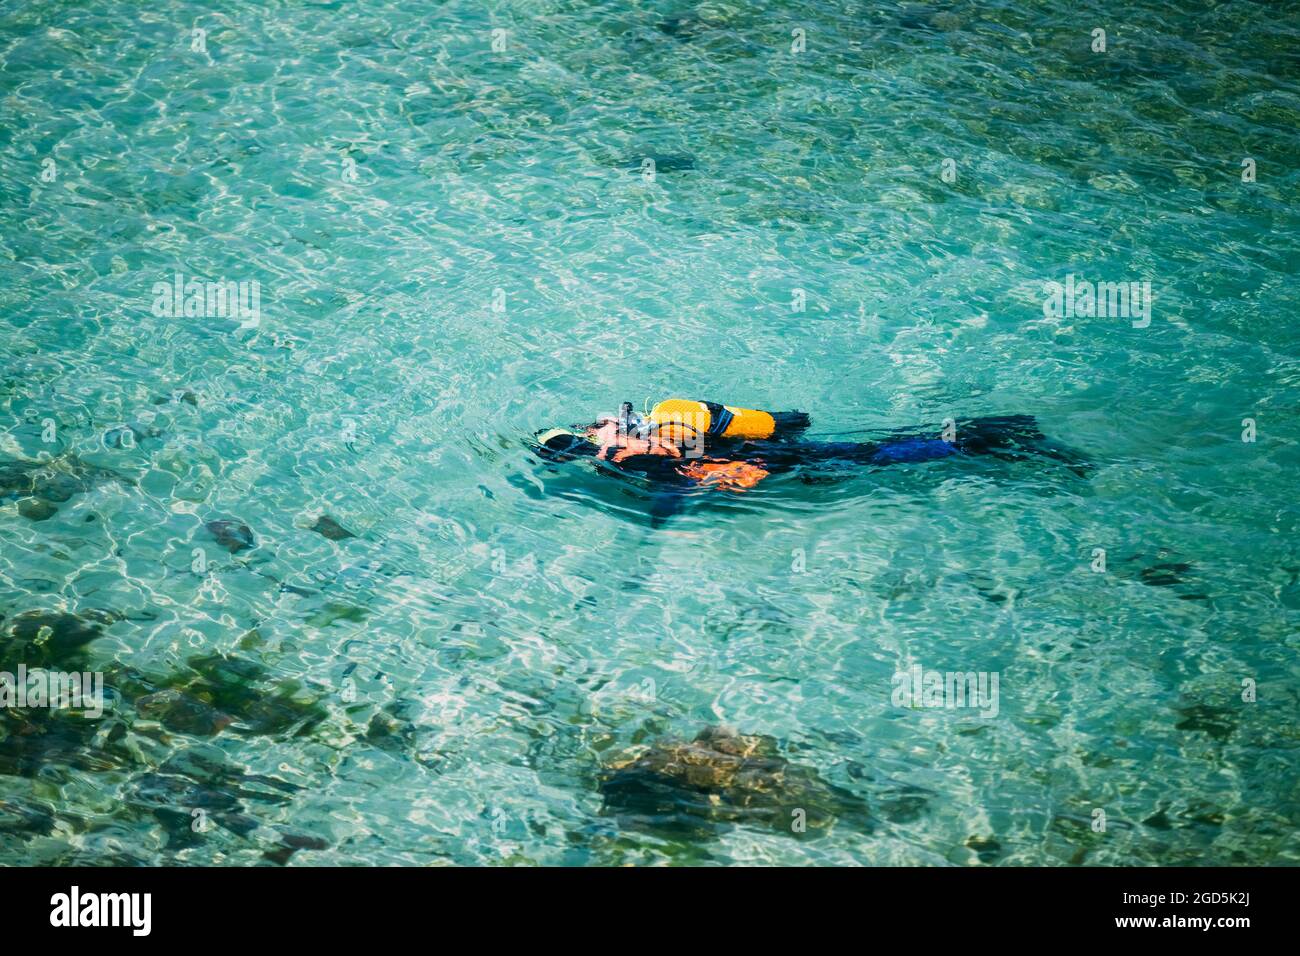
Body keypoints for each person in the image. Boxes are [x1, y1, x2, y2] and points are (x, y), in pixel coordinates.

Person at [534, 398, 1089, 494]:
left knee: (872, 458)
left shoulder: (622, 455)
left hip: (762, 462)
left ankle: (984, 439)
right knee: (866, 452)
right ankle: (982, 434)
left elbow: (675, 484)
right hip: (760, 450)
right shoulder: (637, 424)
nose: (594, 429)